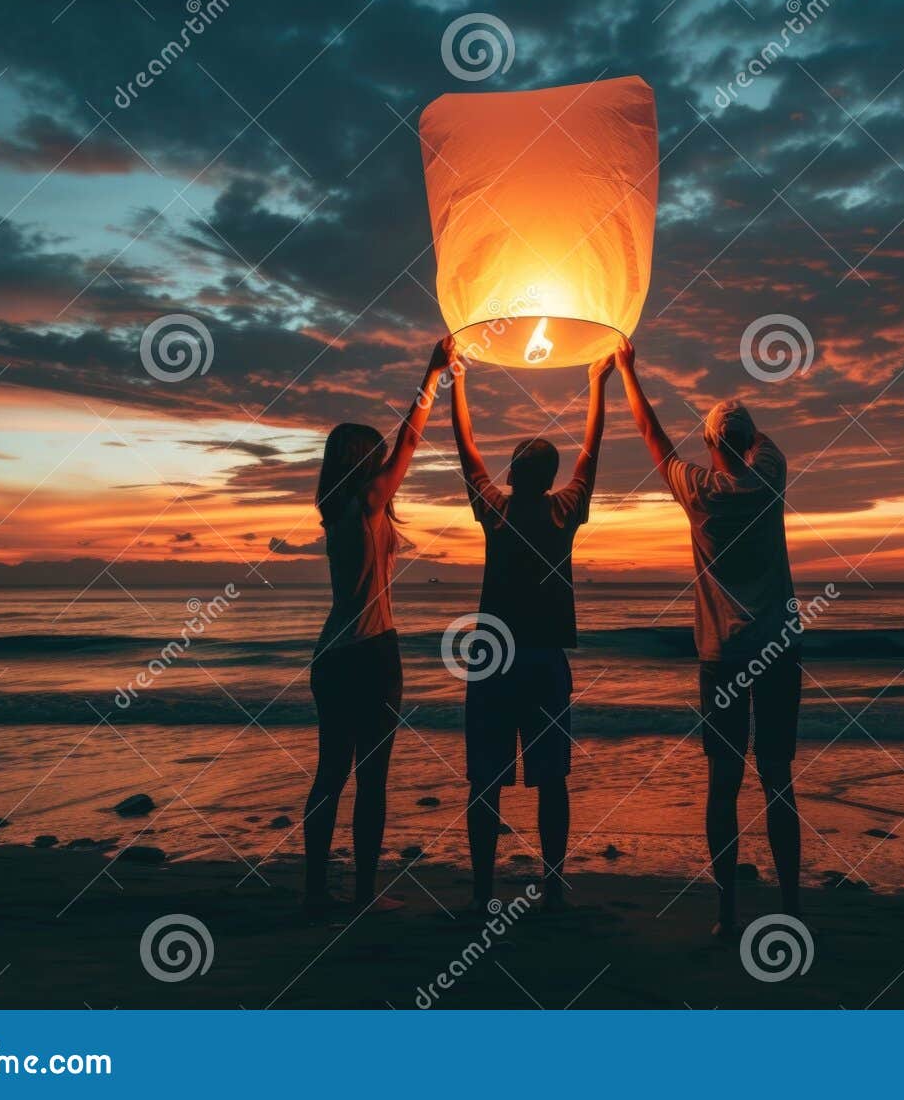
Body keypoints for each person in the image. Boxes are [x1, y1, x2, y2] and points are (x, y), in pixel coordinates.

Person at [615, 339, 800, 937]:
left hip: (723, 658)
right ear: (748, 442)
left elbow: (652, 435)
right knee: (778, 779)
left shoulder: (698, 492)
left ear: (710, 447)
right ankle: (791, 909)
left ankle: (726, 913)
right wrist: (740, 430)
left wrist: (627, 370)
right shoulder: (770, 477)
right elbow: (758, 440)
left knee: (724, 783)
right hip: (777, 650)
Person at [450, 340, 614, 912]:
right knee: (551, 778)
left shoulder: (494, 511)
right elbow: (591, 450)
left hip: (493, 659)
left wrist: (457, 381)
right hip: (543, 660)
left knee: (485, 781)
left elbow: (465, 447)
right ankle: (551, 885)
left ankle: (479, 892)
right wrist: (599, 382)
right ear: (550, 476)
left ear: (515, 471)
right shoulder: (564, 511)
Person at [303, 336, 453, 921]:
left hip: (337, 655)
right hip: (368, 656)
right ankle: (360, 894)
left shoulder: (341, 512)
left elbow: (402, 450)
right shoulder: (364, 501)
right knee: (368, 778)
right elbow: (411, 441)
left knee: (333, 774)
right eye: (374, 452)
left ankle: (318, 889)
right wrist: (432, 374)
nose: (385, 457)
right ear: (359, 463)